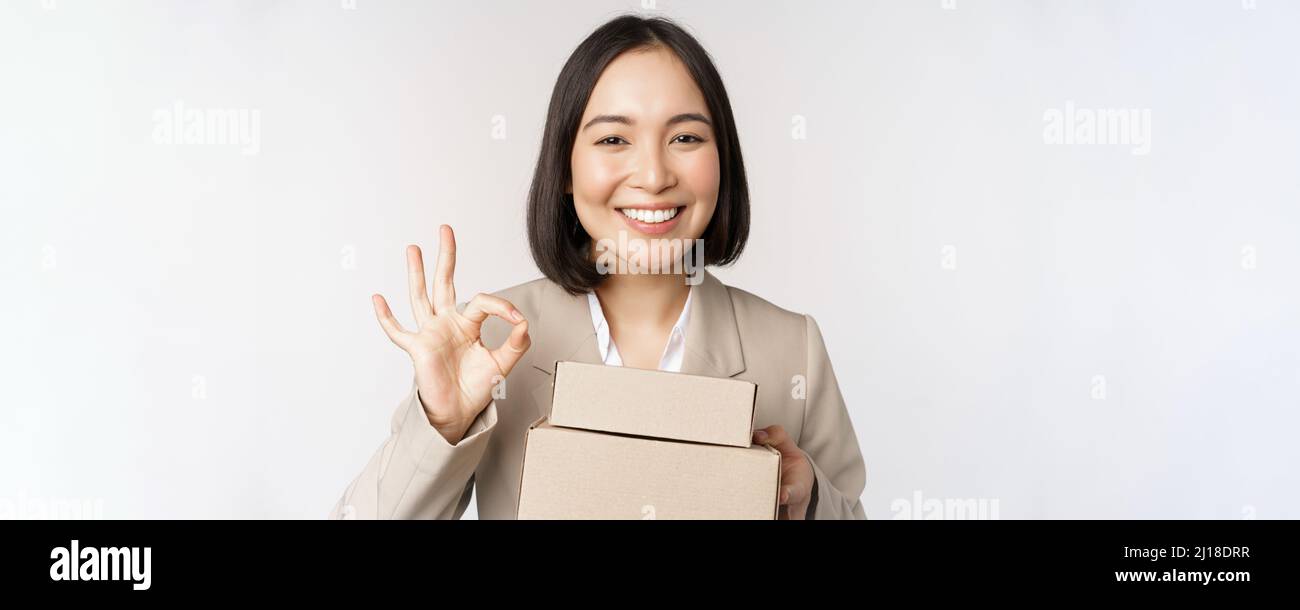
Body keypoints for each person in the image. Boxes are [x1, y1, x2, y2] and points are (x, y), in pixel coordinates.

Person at [331, 14, 865, 520]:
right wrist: (442, 424)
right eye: (613, 139)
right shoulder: (489, 339)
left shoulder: (794, 347)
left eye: (686, 138)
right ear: (564, 167)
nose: (653, 175)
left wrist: (810, 496)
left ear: (722, 162)